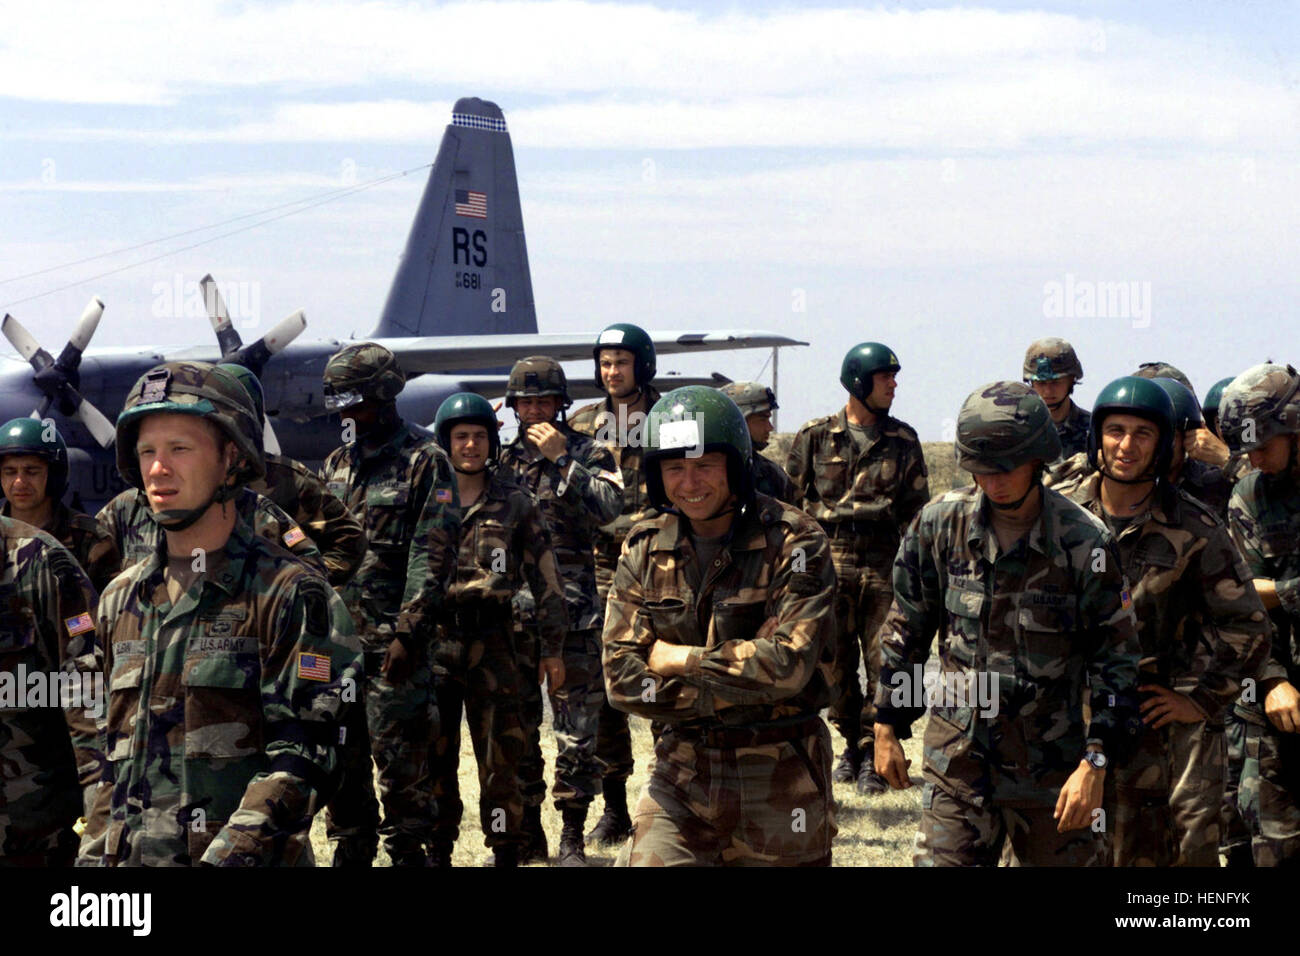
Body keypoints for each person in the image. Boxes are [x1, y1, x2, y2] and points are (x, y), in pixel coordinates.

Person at [79, 361, 361, 866]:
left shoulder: (291, 596)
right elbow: (110, 766)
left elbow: (303, 761)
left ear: (231, 457)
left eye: (179, 449)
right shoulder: (119, 600)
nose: (158, 469)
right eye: (147, 452)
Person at [873, 381, 1142, 866]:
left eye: (1005, 467)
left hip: (1053, 774)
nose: (993, 482)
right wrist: (887, 723)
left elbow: (1116, 663)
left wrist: (1095, 763)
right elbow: (905, 629)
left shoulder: (1084, 543)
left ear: (1039, 457)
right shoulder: (938, 526)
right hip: (958, 766)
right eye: (980, 469)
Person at [603, 386, 837, 865]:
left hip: (781, 771)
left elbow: (789, 667)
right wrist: (746, 673)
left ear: (736, 465)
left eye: (704, 465)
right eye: (674, 467)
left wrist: (680, 659)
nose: (689, 482)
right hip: (681, 773)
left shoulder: (795, 541)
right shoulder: (644, 548)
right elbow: (622, 681)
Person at [1063, 376, 1269, 865]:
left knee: (1178, 855)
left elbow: (1250, 629)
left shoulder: (1195, 528)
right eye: (1115, 430)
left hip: (1162, 730)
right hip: (1068, 718)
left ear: (1164, 445)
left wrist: (1200, 701)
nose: (1126, 446)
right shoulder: (1060, 514)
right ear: (1096, 437)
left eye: (1142, 433)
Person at [319, 342, 461, 867]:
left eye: (356, 404)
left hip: (394, 652)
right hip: (335, 651)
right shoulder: (335, 465)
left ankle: (410, 856)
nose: (347, 417)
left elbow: (434, 551)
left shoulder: (426, 462)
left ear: (384, 396)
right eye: (340, 407)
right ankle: (350, 853)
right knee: (340, 766)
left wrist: (408, 633)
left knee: (403, 774)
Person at [427, 393, 569, 867]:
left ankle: (508, 850)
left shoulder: (515, 502)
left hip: (498, 646)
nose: (471, 445)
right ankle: (438, 849)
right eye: (461, 436)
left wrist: (552, 650)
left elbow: (547, 581)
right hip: (436, 645)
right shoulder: (426, 500)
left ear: (492, 441)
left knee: (501, 763)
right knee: (434, 760)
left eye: (480, 436)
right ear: (445, 441)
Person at [785, 342, 929, 794]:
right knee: (834, 662)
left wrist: (917, 568)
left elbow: (916, 510)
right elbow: (790, 503)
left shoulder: (904, 440)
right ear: (858, 383)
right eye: (885, 377)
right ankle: (850, 743)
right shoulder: (814, 436)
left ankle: (874, 748)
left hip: (885, 561)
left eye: (893, 376)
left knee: (887, 660)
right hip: (828, 561)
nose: (894, 385)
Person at [499, 355, 623, 865]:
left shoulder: (590, 451)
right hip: (514, 619)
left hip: (573, 615)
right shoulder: (500, 461)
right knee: (516, 732)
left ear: (560, 404)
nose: (534, 411)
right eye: (525, 402)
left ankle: (572, 834)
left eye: (544, 401)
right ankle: (528, 834)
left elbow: (611, 512)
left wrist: (561, 461)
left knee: (576, 733)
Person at [567, 323, 661, 847]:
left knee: (671, 675)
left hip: (662, 563)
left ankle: (676, 795)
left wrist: (645, 533)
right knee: (605, 687)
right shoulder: (582, 423)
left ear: (641, 364)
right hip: (598, 570)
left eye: (621, 361)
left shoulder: (672, 418)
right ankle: (615, 805)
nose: (611, 371)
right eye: (604, 362)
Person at [1218, 364, 1300, 866]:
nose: (1253, 459)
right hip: (1277, 698)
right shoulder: (1250, 495)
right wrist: (1271, 680)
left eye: (1263, 445)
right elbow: (1241, 603)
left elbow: (1267, 593)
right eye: (1244, 449)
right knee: (1273, 842)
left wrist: (1283, 593)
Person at [217, 363, 366, 588]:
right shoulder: (187, 480)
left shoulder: (287, 479)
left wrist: (308, 589)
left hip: (269, 617)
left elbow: (348, 540)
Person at [0, 417, 119, 592]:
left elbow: (107, 610)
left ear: (54, 476)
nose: (19, 482)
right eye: (10, 472)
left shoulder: (89, 538)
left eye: (32, 471)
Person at [1146, 377, 1233, 519]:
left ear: (1189, 437)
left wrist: (1227, 459)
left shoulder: (1217, 485)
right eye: (1145, 434)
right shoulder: (1116, 484)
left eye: (1168, 435)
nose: (1154, 445)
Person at [720, 381, 796, 504]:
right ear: (737, 421)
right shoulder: (699, 473)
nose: (770, 427)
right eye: (763, 419)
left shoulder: (772, 475)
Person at [1023, 337, 1090, 459]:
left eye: (1056, 382)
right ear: (1031, 384)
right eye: (1041, 383)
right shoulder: (1020, 430)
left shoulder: (1095, 429)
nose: (1048, 391)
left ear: (1071, 380)